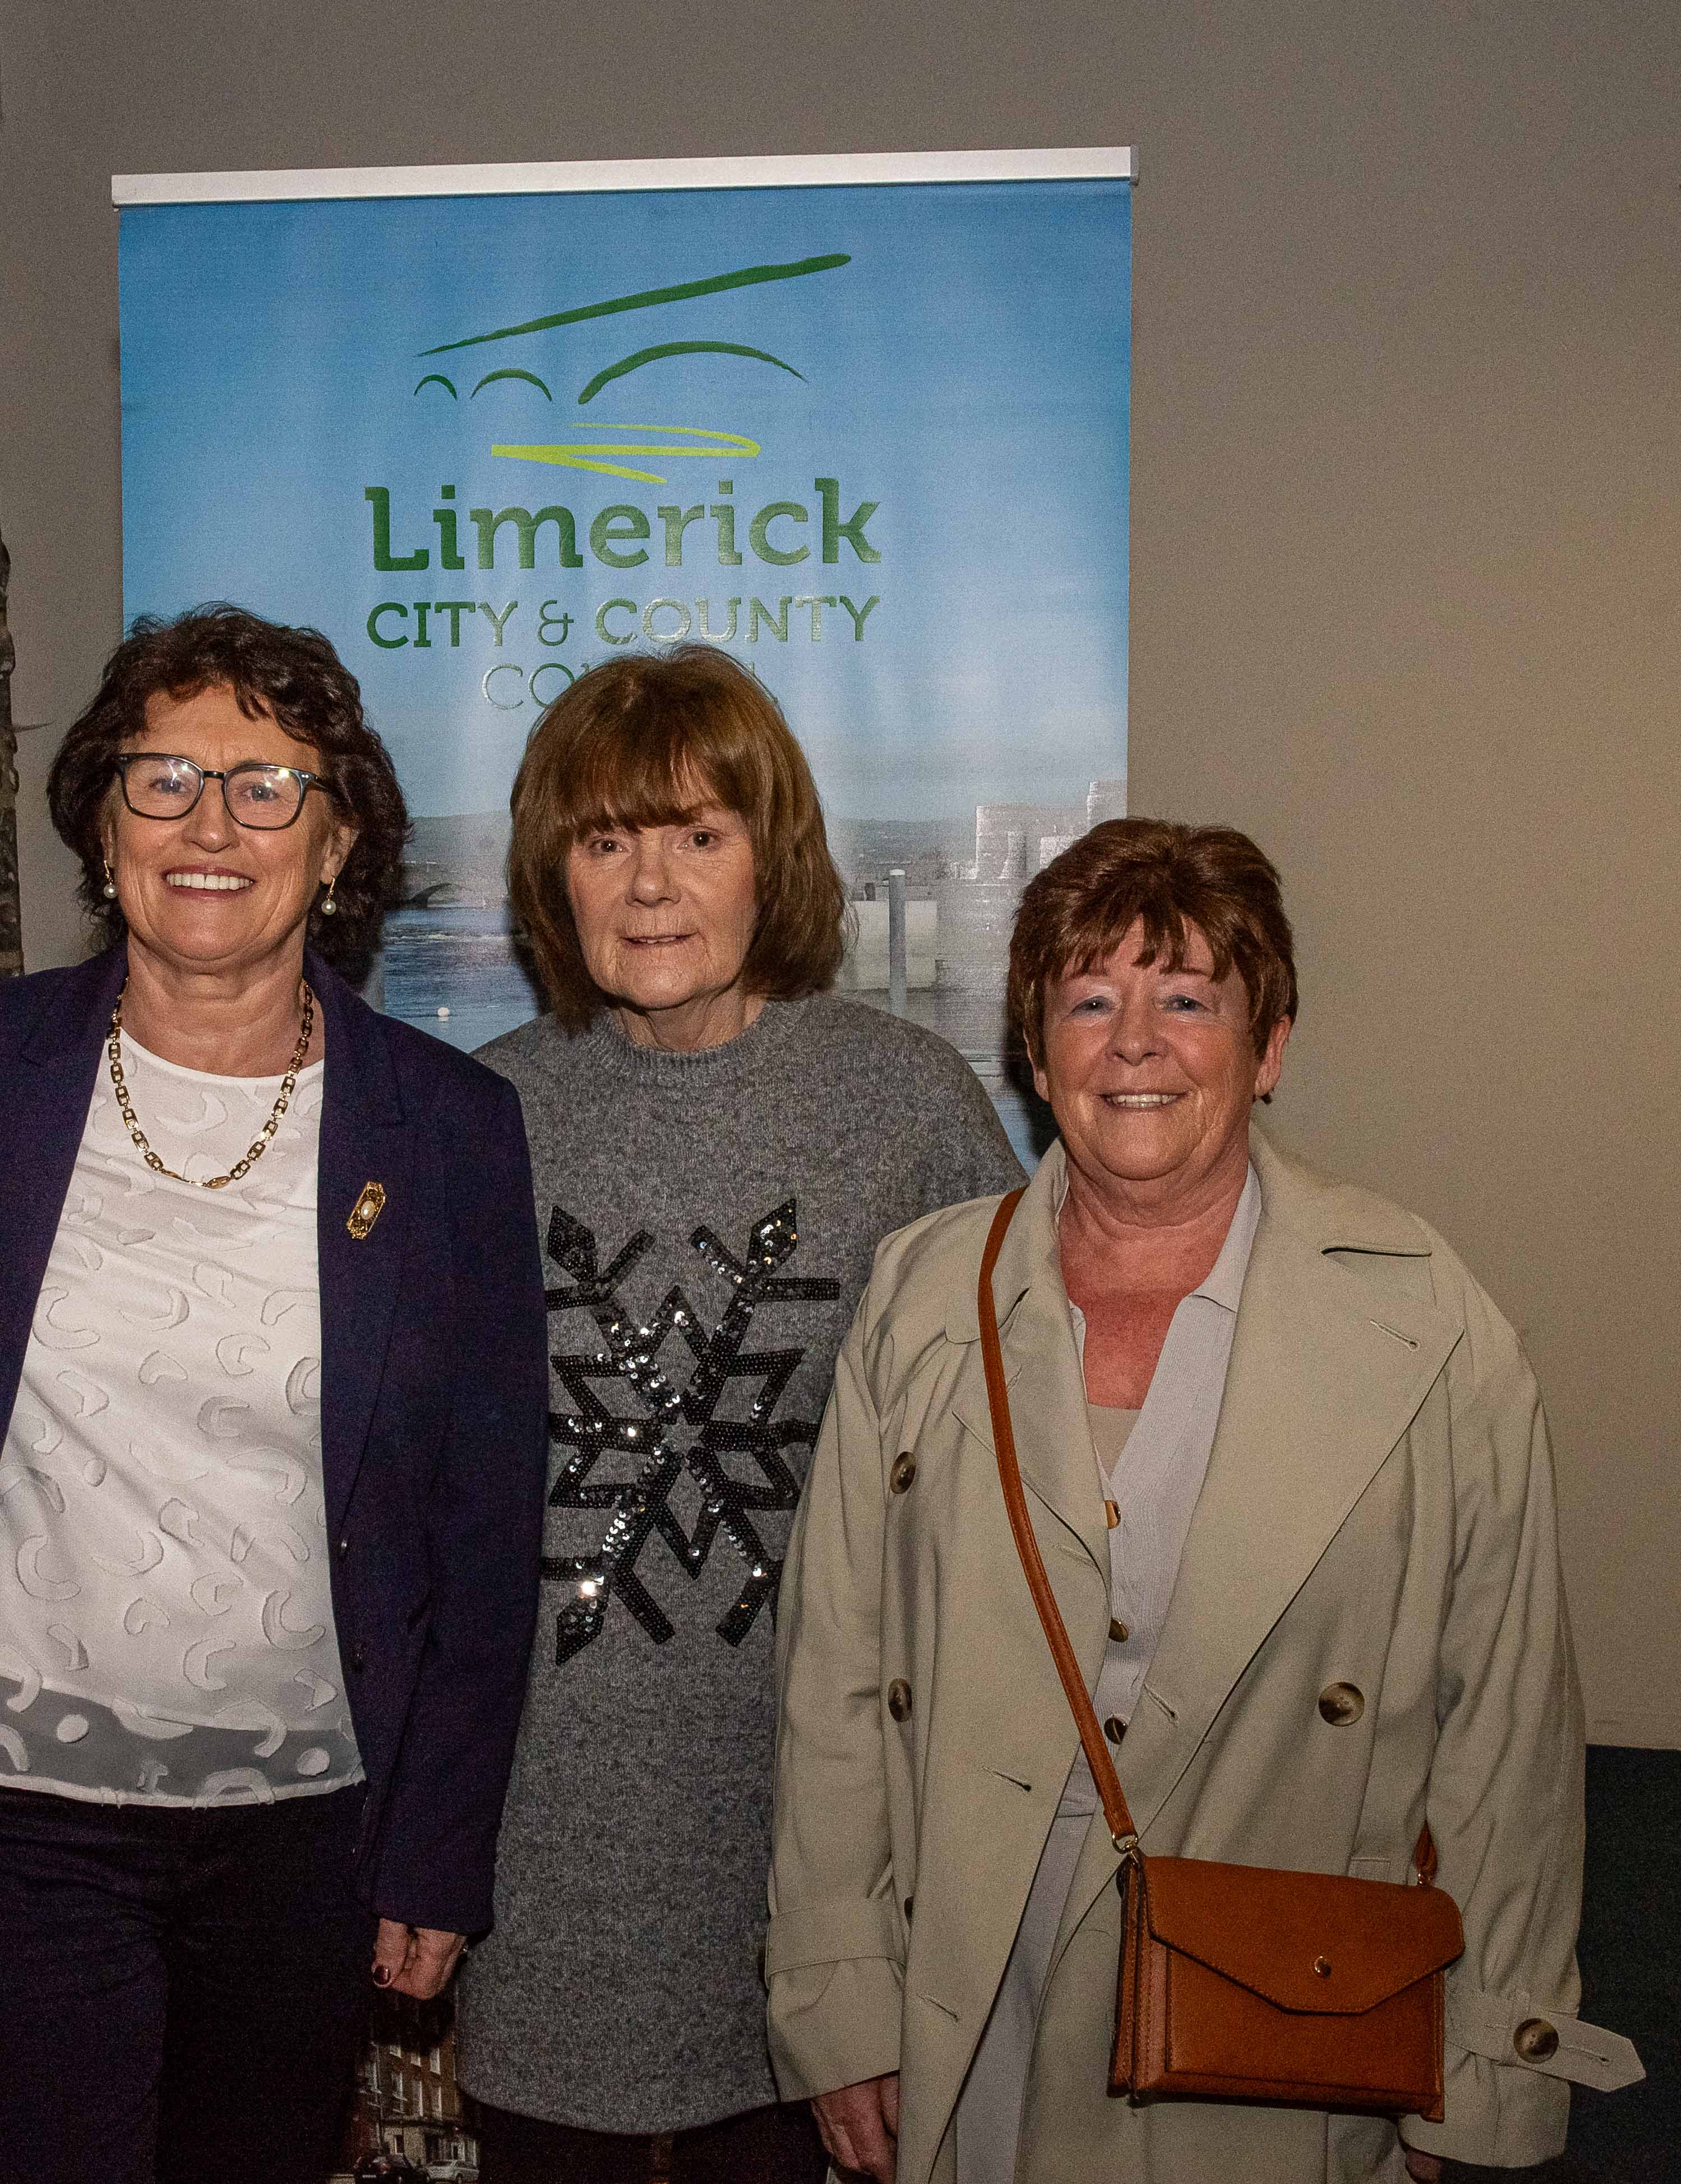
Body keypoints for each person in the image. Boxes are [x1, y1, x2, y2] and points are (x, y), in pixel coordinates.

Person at [766, 819, 1629, 2183]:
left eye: (1187, 999)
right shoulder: (925, 1296)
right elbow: (835, 1679)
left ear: (1267, 1045)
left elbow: (1507, 1739)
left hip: (1277, 2015)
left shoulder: (1423, 1322)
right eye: (1089, 1000)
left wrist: (1480, 2081)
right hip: (970, 1976)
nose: (1134, 1042)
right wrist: (838, 1998)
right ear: (1036, 1053)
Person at [0, 604, 548, 2184]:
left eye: (267, 786)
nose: (209, 825)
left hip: (306, 1834)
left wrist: (437, 1855)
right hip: (7, 1807)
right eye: (162, 777)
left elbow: (483, 1514)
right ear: (102, 826)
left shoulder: (448, 1128)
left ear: (335, 847)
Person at [454, 647, 1022, 2183]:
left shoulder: (904, 1109)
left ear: (772, 857)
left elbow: (1016, 1482)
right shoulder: (473, 1115)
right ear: (551, 876)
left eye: (697, 834)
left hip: (821, 1845)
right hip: (540, 1841)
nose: (649, 884)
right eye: (604, 839)